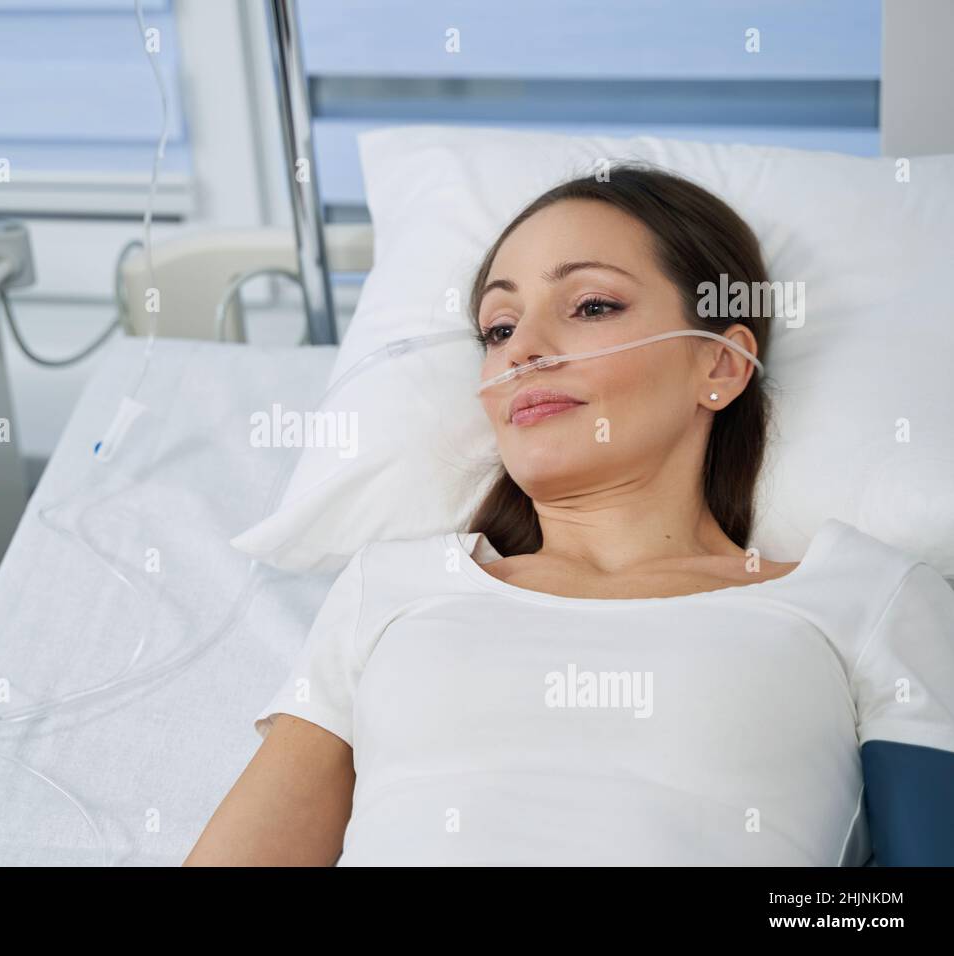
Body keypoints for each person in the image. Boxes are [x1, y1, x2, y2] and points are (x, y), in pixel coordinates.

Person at [184, 166, 954, 866]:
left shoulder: (867, 599)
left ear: (719, 364)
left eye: (590, 305)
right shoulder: (386, 589)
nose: (524, 351)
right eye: (498, 328)